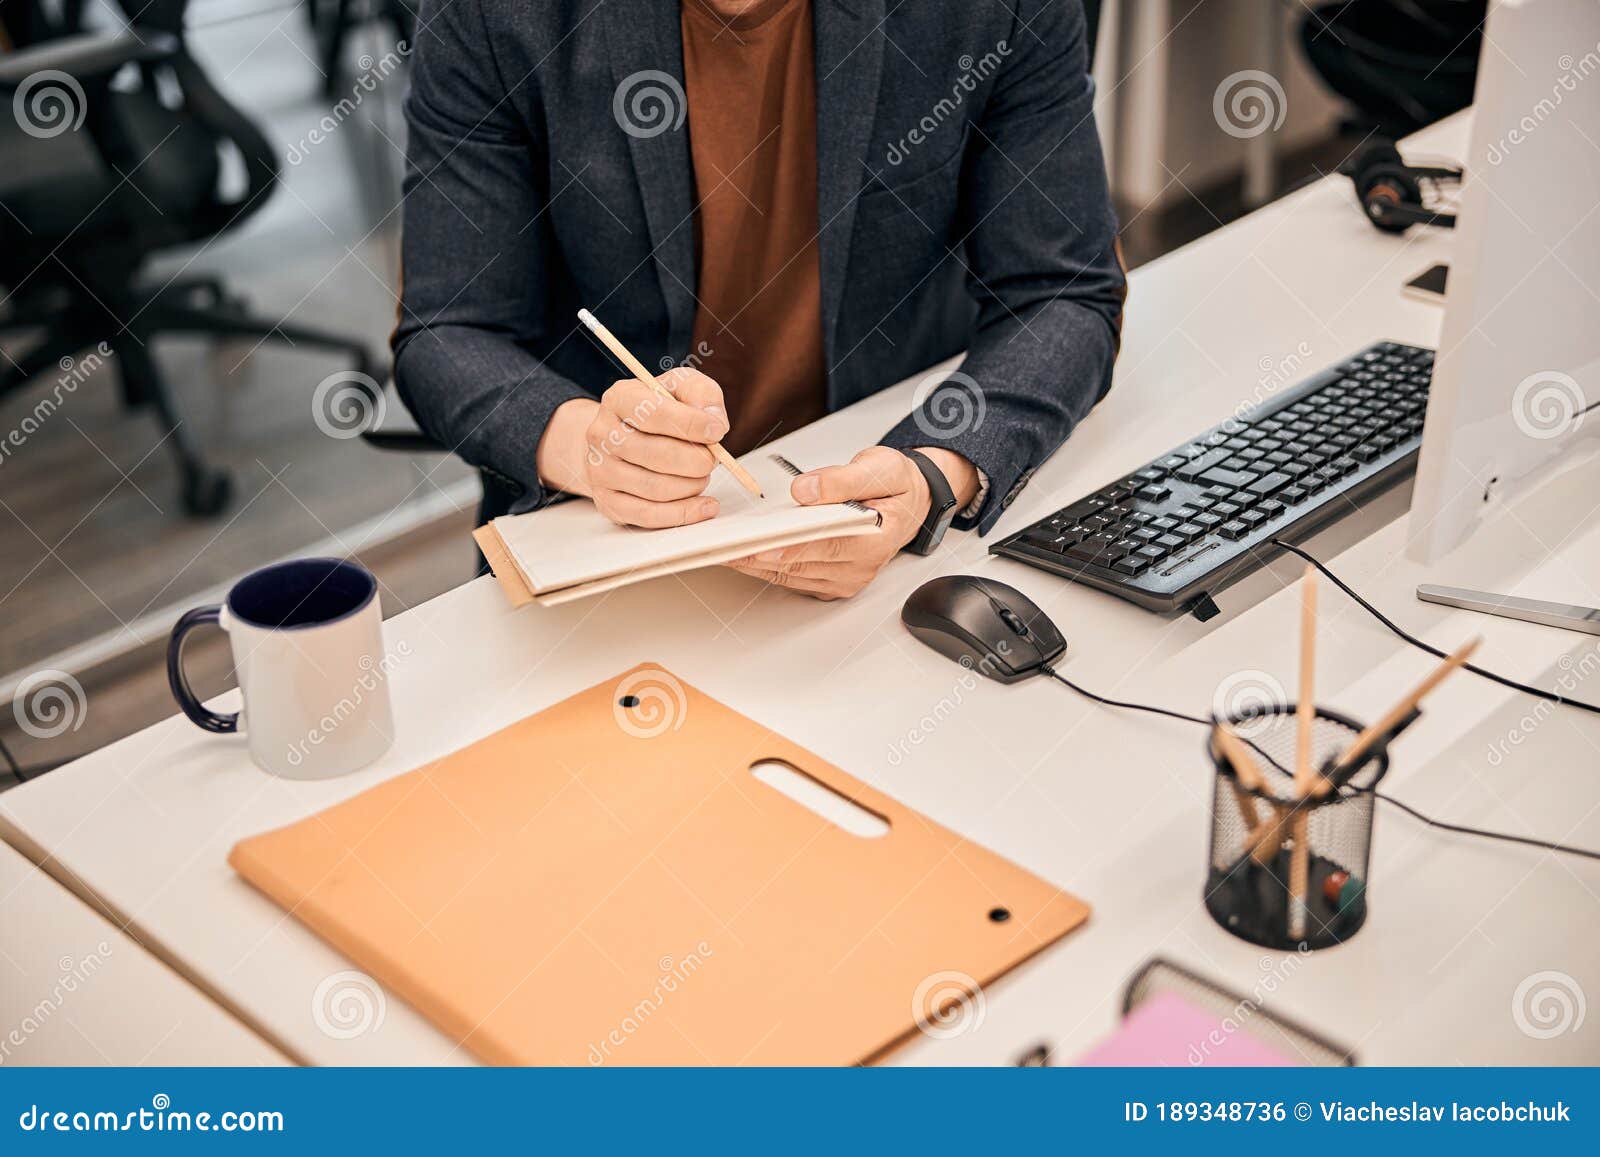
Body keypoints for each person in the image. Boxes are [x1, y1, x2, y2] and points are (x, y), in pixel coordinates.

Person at [394, 0, 1125, 600]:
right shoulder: (495, 13)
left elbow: (1064, 290)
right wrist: (589, 448)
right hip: (610, 551)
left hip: (883, 508)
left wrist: (936, 471)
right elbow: (449, 329)